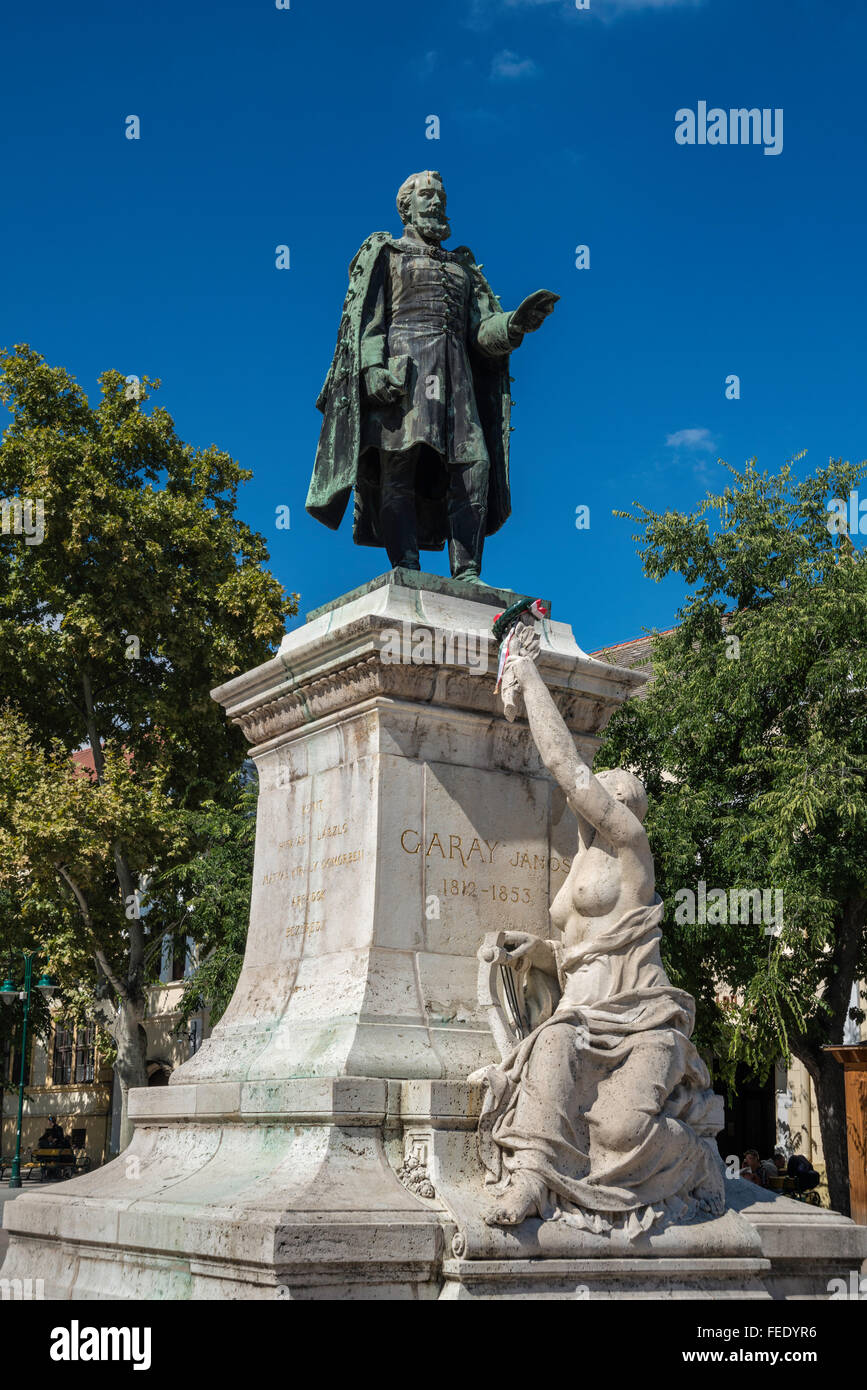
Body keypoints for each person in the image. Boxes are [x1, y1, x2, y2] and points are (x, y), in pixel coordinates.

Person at [471, 622, 725, 1232]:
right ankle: (533, 1176)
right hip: (580, 1016)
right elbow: (583, 949)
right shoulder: (578, 868)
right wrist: (539, 952)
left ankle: (691, 1160)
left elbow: (565, 767)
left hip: (642, 1020)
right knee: (553, 1045)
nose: (603, 795)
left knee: (617, 1128)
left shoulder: (632, 851)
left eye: (616, 793)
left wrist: (527, 673)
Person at [307, 171, 558, 582]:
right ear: (406, 205)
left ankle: (467, 572)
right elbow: (367, 323)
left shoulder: (463, 267)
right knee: (398, 470)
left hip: (456, 376)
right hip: (404, 374)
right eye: (426, 194)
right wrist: (371, 368)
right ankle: (406, 566)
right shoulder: (388, 253)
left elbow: (480, 331)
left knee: (474, 466)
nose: (436, 202)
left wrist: (515, 323)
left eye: (441, 195)